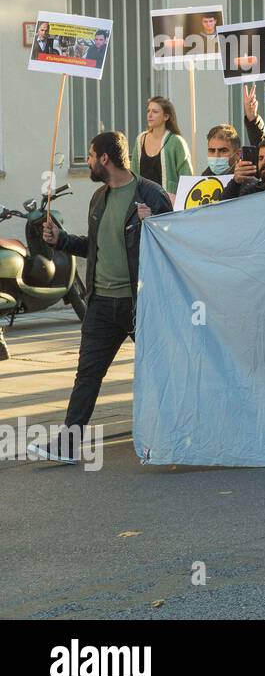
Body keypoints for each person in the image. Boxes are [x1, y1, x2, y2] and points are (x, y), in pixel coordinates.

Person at [28, 132, 173, 463]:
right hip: (102, 303)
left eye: (91, 156)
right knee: (87, 375)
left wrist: (155, 225)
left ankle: (172, 436)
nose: (89, 161)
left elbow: (174, 239)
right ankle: (68, 443)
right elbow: (93, 246)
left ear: (105, 158)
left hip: (141, 303)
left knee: (159, 371)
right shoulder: (99, 198)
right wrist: (61, 240)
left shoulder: (149, 194)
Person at [135, 95, 193, 197]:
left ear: (166, 116)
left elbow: (186, 177)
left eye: (155, 112)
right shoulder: (140, 140)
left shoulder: (176, 141)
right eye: (148, 111)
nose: (150, 115)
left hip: (168, 205)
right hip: (143, 204)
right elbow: (133, 174)